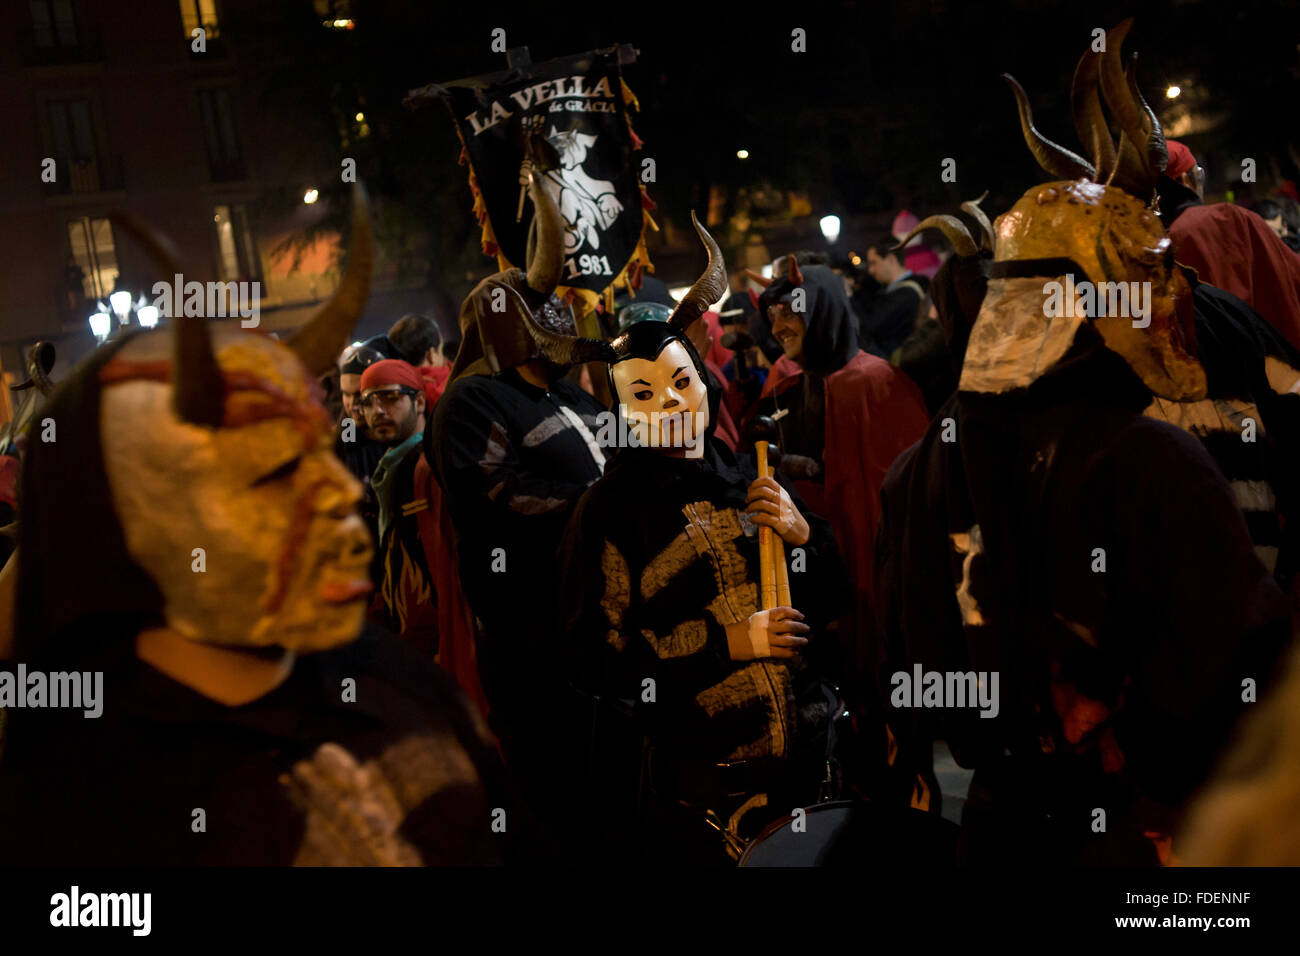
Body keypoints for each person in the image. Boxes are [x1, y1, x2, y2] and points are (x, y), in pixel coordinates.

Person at [877, 23, 1292, 866]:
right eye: (1146, 274)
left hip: (1002, 826)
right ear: (1103, 291)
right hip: (1159, 834)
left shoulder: (917, 471)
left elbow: (911, 675)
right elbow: (1247, 665)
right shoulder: (1152, 461)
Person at [0, 197, 513, 865]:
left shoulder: (399, 685)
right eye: (274, 474)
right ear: (142, 521)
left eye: (319, 452)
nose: (335, 495)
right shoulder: (79, 794)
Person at [519, 217, 851, 862]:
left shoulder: (749, 477)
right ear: (619, 411)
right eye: (642, 393)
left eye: (680, 382)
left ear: (704, 382)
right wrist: (727, 642)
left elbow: (832, 601)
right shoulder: (609, 511)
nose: (669, 403)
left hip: (815, 766)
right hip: (702, 790)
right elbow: (594, 659)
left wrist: (805, 535)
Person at [428, 175, 607, 839]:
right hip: (534, 631)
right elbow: (496, 494)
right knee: (560, 791)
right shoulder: (470, 403)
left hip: (601, 620)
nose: (559, 315)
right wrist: (600, 502)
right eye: (538, 306)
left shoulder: (577, 398)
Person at [755, 256, 931, 681]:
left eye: (789, 312)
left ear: (821, 306)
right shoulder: (787, 387)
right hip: (825, 585)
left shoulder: (877, 381)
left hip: (880, 585)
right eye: (773, 316)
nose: (778, 327)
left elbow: (911, 501)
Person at [1157, 139, 1300, 352]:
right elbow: (1292, 272)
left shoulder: (1155, 248)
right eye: (1199, 174)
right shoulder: (1230, 218)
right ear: (1186, 180)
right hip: (1275, 363)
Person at [857, 238, 928, 359]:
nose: (871, 270)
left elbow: (871, 328)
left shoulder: (906, 294)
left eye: (874, 263)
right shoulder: (897, 290)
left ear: (891, 259)